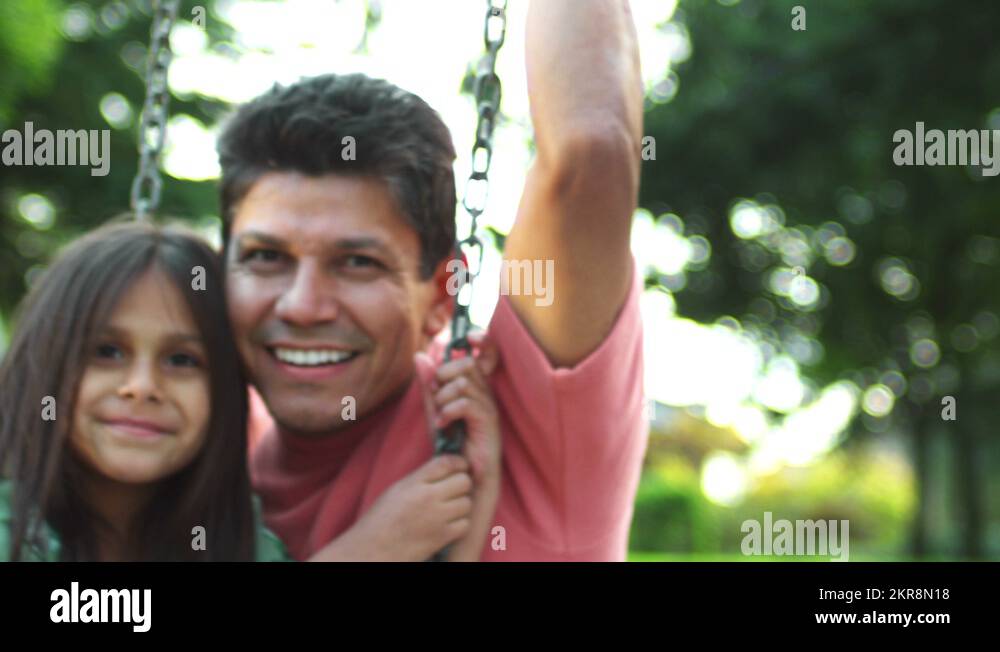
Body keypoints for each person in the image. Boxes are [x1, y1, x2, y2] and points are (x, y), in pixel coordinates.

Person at [219, 0, 647, 561]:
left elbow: (591, 152)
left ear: (443, 296)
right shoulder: (182, 444)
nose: (303, 306)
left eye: (358, 263)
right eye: (266, 256)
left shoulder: (504, 427)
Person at [0, 219, 500, 561]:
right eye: (105, 352)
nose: (141, 387)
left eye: (182, 360)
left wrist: (482, 474)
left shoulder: (242, 545)